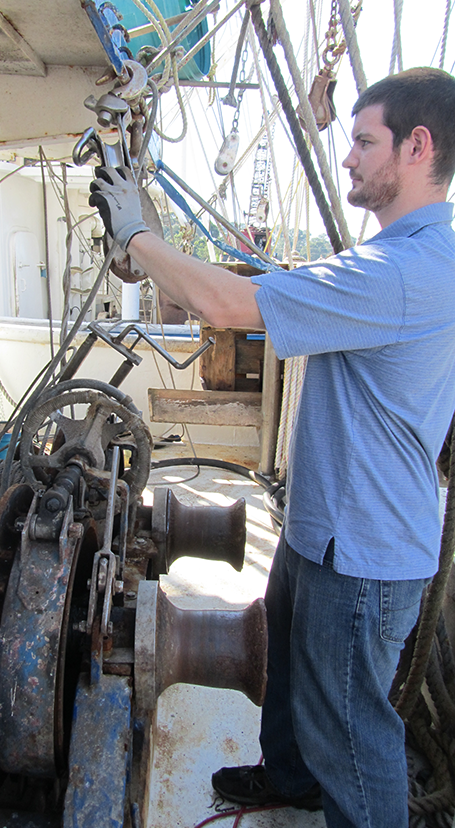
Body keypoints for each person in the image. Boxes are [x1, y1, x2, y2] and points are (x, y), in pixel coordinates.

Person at [89, 67, 455, 828]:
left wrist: (136, 233)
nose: (348, 158)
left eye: (364, 141)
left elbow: (226, 302)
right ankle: (289, 778)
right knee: (290, 671)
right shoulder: (415, 259)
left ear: (418, 146)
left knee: (354, 735)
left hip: (362, 555)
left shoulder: (400, 274)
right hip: (328, 529)